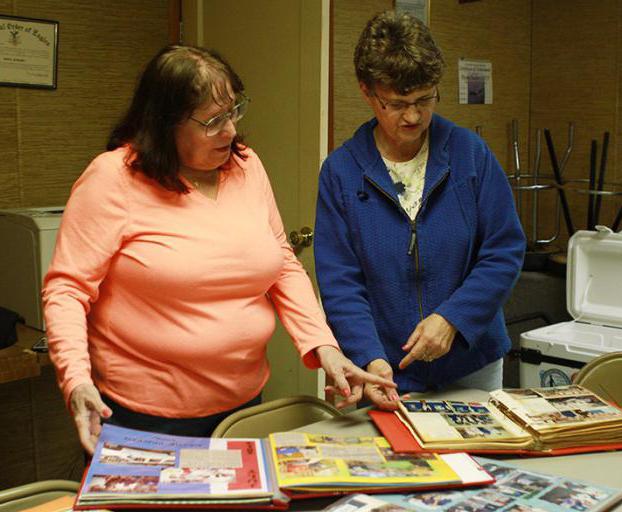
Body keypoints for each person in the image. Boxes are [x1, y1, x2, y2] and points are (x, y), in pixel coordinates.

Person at [43, 45, 393, 454]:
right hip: (144, 416)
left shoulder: (246, 166)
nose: (229, 130)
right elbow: (66, 290)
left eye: (233, 111)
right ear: (164, 124)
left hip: (243, 408)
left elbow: (282, 262)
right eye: (212, 121)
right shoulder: (113, 179)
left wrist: (325, 349)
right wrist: (77, 380)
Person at [314, 12, 526, 410]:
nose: (412, 116)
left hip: (471, 362)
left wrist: (453, 319)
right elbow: (341, 282)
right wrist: (369, 357)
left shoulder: (470, 155)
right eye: (396, 104)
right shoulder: (341, 173)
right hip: (385, 371)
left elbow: (504, 251)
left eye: (424, 100)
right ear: (366, 91)